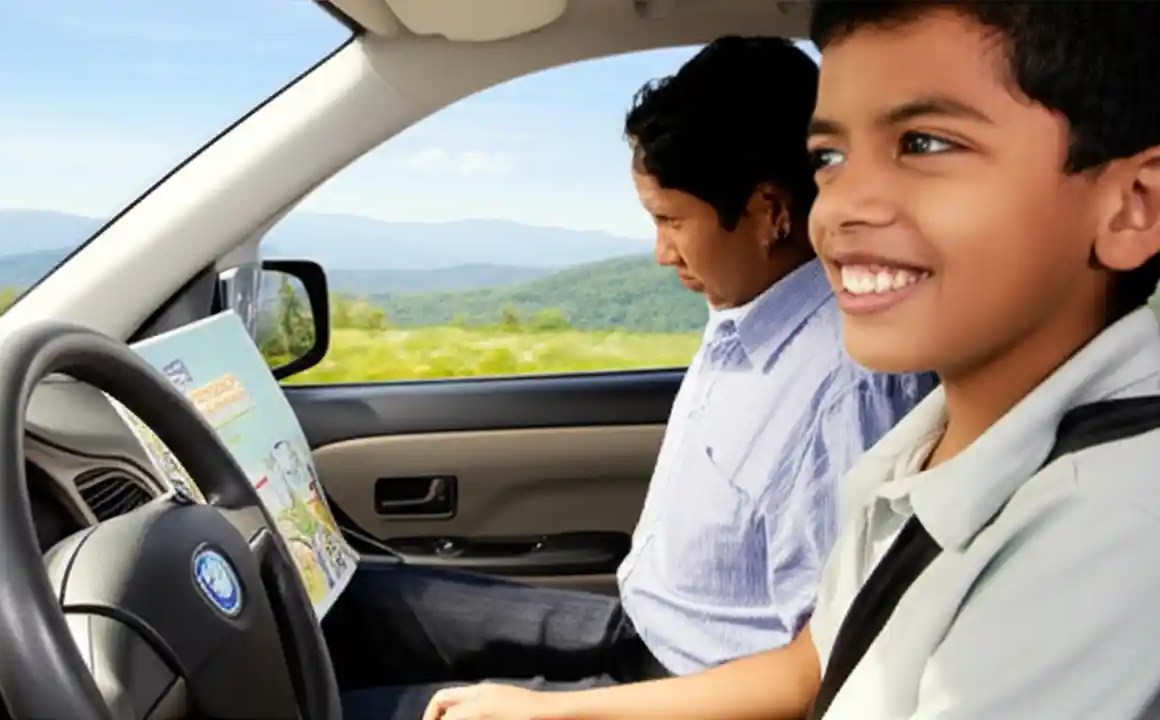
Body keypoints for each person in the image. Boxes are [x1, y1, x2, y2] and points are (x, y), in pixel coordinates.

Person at [421, 2, 1160, 718]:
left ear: (1131, 207)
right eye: (829, 158)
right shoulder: (930, 441)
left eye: (926, 143)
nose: (840, 205)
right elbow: (816, 658)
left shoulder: (1109, 534)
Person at [327, 35, 935, 720]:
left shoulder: (842, 393)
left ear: (769, 213)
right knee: (340, 605)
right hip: (638, 632)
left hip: (696, 692)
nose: (658, 252)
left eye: (671, 220)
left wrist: (545, 712)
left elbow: (824, 667)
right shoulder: (746, 301)